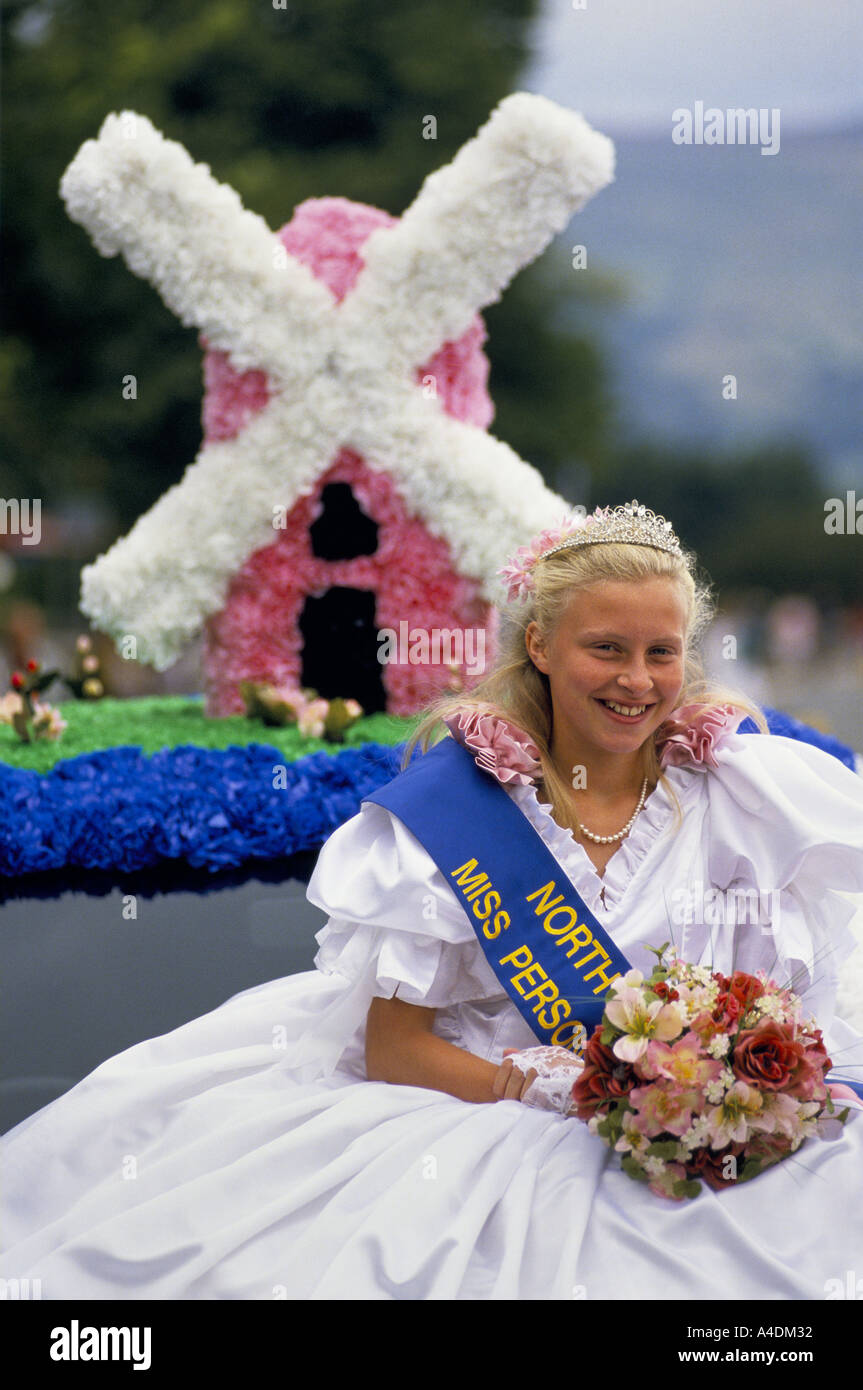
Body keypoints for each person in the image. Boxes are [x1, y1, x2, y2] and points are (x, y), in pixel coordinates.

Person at [2, 500, 862, 1301]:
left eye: (660, 652)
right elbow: (394, 1048)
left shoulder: (743, 799)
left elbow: (795, 1012)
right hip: (459, 1130)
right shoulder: (456, 811)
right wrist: (532, 1085)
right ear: (540, 645)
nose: (636, 680)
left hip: (693, 1160)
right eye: (606, 648)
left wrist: (726, 1092)